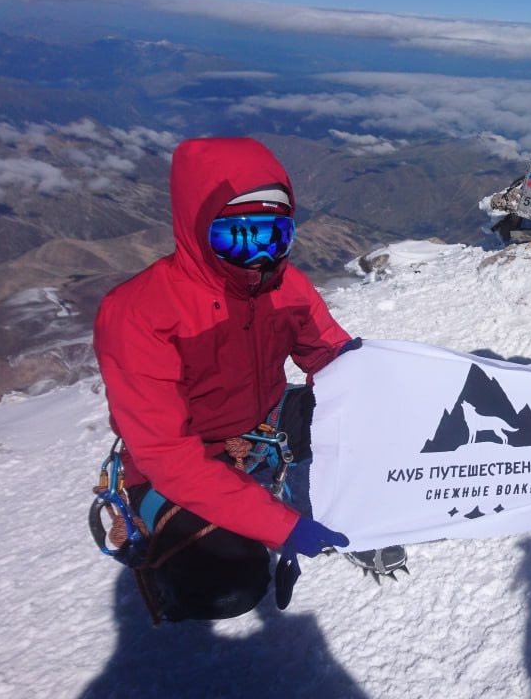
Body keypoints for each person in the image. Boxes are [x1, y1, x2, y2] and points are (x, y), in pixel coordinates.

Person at [94, 137, 361, 622]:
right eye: (238, 237)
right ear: (198, 229)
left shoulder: (287, 288)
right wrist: (280, 526)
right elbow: (168, 457)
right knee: (228, 589)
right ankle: (154, 544)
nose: (260, 257)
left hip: (262, 423)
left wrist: (372, 374)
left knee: (357, 412)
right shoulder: (138, 314)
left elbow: (329, 356)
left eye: (274, 236)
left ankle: (321, 504)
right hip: (182, 456)